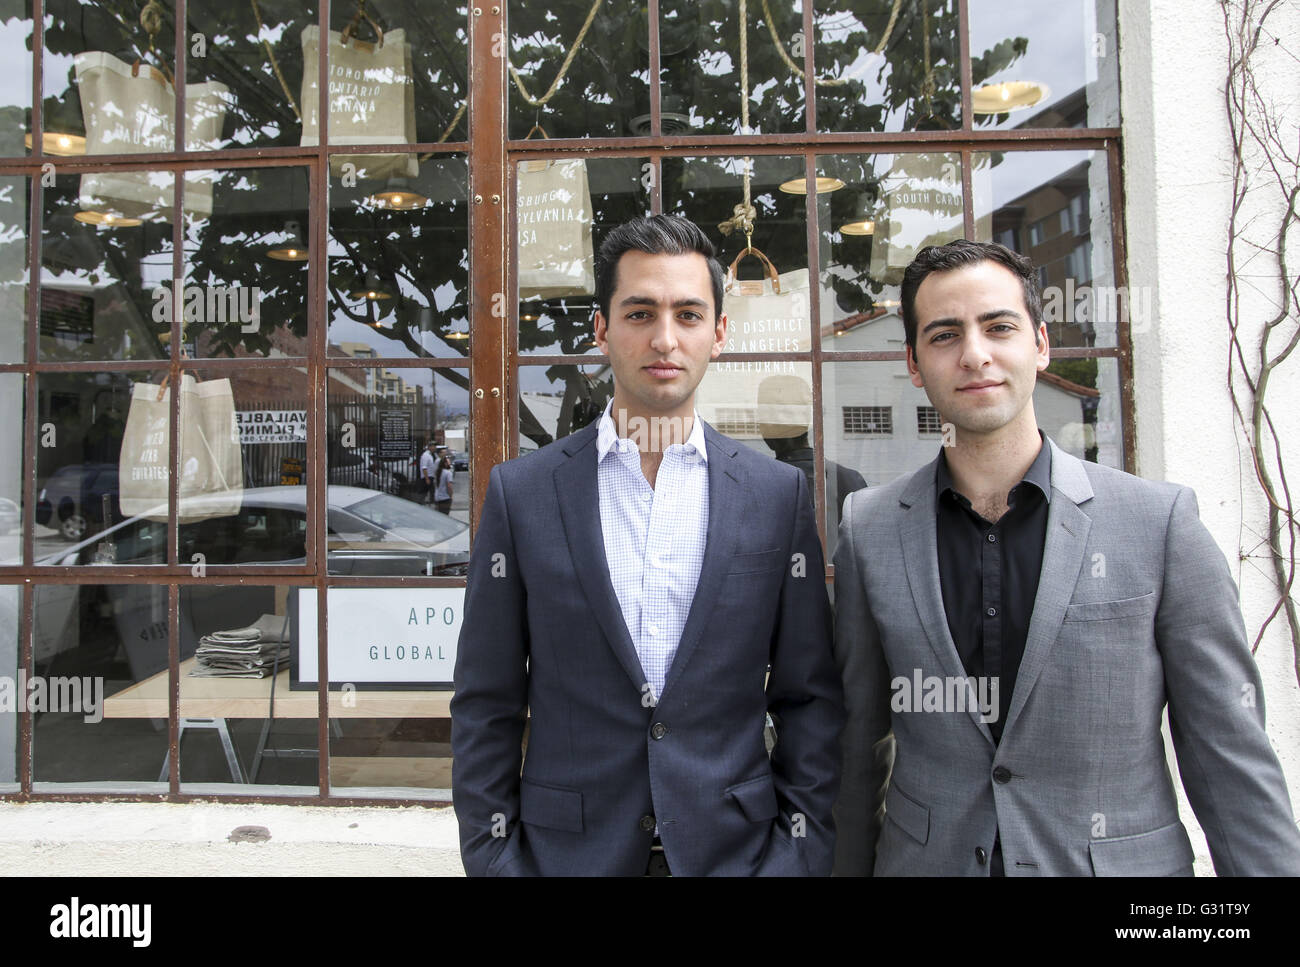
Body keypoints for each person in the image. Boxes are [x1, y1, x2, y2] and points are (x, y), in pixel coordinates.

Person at [832, 239, 1300, 876]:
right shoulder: (870, 528)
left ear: (1041, 343)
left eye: (999, 327)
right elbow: (863, 743)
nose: (975, 354)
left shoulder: (1159, 526)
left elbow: (1228, 756)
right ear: (915, 363)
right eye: (945, 335)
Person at [452, 215, 844, 876]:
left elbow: (809, 700)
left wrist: (794, 857)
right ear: (602, 330)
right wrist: (495, 860)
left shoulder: (776, 497)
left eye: (689, 314)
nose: (665, 338)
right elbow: (486, 703)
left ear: (719, 333)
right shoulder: (523, 495)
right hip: (566, 859)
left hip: (736, 857)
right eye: (640, 312)